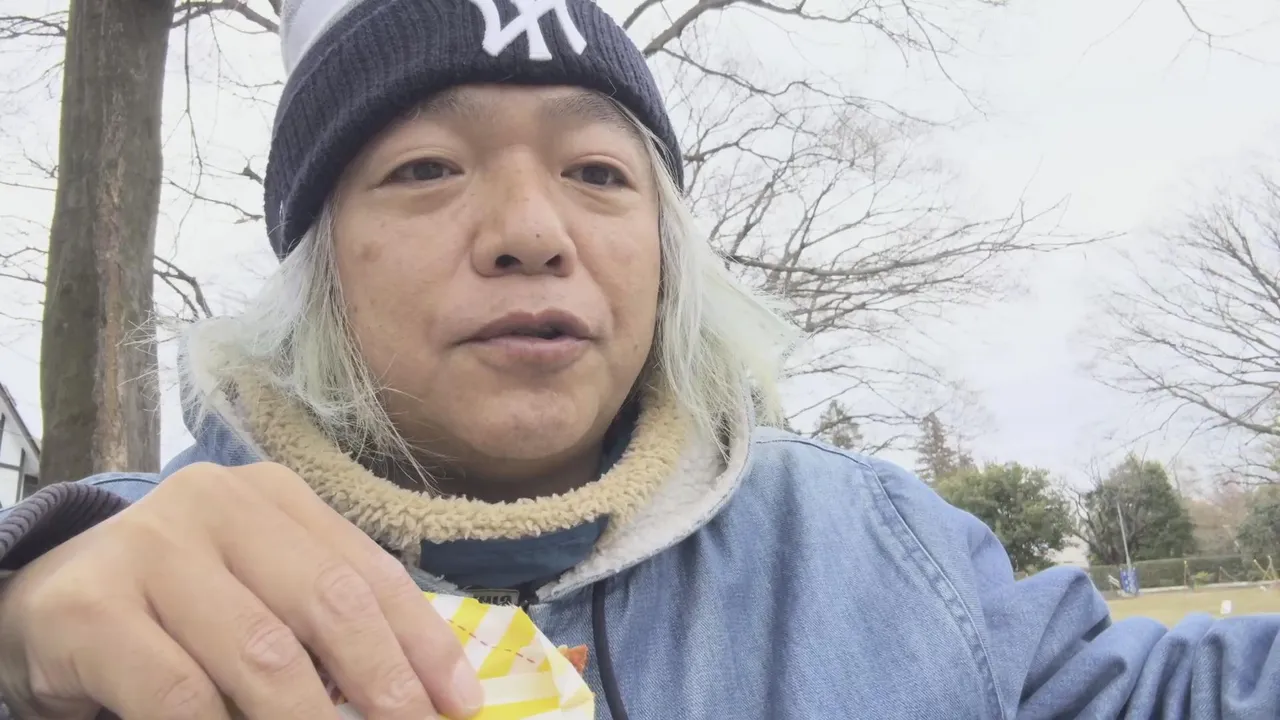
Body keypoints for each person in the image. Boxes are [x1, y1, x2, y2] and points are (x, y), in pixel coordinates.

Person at [0, 0, 1276, 718]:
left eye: (599, 173)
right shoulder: (109, 575)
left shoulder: (886, 553)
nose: (531, 231)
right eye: (426, 168)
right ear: (313, 270)